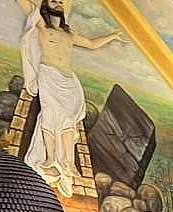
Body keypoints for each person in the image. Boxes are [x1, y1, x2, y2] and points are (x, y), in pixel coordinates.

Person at [17, 0, 123, 197]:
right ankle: (49, 158)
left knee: (68, 118)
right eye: (53, 1)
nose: (57, 4)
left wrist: (113, 36)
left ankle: (67, 161)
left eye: (60, 1)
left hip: (68, 81)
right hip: (48, 75)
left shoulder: (69, 33)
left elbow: (91, 44)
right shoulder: (41, 23)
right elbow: (26, 5)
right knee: (50, 114)